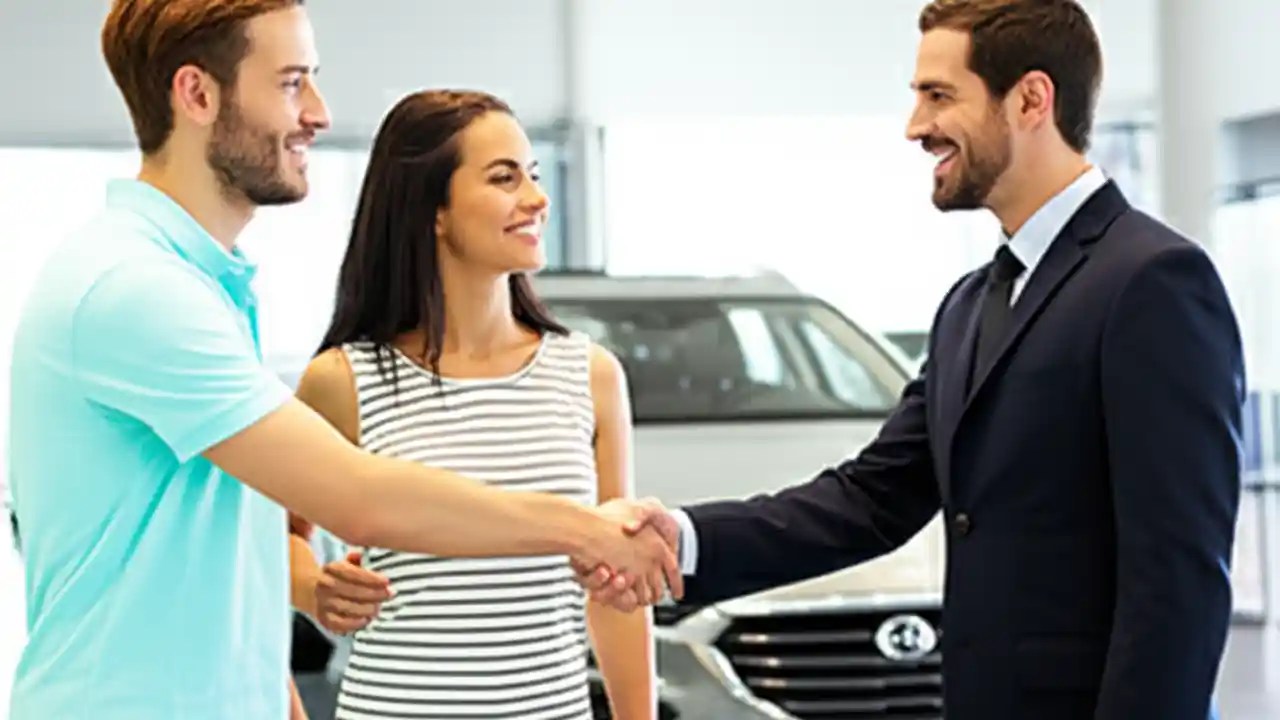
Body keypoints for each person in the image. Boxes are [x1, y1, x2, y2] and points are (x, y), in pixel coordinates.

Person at [5, 2, 676, 719]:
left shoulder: (206, 287)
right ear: (197, 94)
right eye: (292, 83)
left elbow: (221, 545)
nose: (319, 114)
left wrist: (278, 692)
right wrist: (588, 529)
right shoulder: (134, 291)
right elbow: (360, 499)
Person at [581, 1, 1245, 719]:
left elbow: (1177, 579)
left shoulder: (1153, 281)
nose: (915, 127)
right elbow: (871, 497)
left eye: (938, 96)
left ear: (1030, 99)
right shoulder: (969, 304)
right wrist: (683, 540)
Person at [284, 89, 657, 720]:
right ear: (433, 209)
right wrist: (311, 586)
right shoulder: (343, 379)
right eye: (504, 178)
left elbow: (617, 588)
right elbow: (270, 539)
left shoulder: (589, 375)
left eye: (534, 176)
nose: (536, 200)